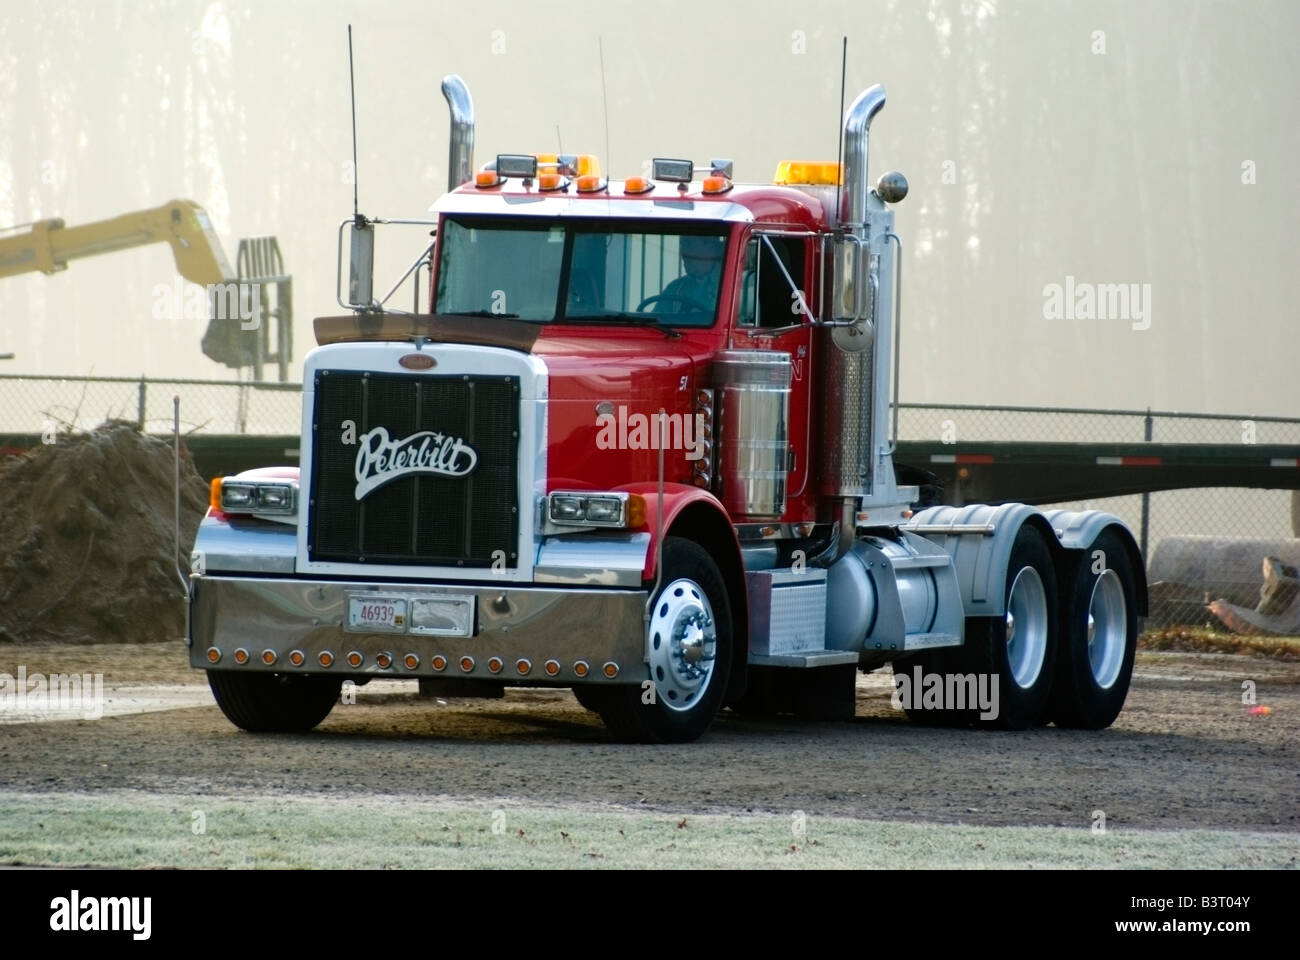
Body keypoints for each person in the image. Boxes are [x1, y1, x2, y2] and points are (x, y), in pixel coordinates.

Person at [659, 234, 724, 313]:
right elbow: (656, 320)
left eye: (688, 244)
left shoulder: (731, 285)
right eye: (682, 245)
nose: (682, 252)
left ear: (711, 248)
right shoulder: (675, 288)